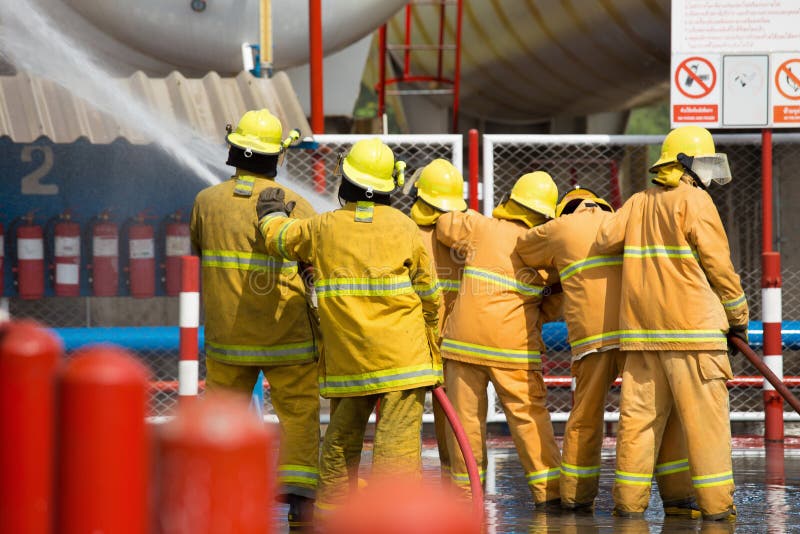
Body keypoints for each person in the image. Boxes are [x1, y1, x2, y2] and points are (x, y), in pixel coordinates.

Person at [255, 138, 442, 519]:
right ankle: (394, 521)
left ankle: (329, 520)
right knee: (397, 453)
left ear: (346, 182)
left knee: (339, 447)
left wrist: (271, 213)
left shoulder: (324, 227)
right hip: (404, 364)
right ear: (389, 186)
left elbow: (279, 239)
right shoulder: (405, 228)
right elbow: (431, 298)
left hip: (349, 363)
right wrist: (432, 355)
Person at [595, 125, 748, 520]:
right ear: (686, 166)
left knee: (638, 429)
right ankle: (718, 511)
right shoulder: (695, 201)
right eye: (703, 164)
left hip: (642, 338)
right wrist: (738, 318)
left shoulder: (638, 202)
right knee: (706, 428)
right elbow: (720, 267)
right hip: (694, 336)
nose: (708, 174)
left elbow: (605, 238)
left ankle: (628, 507)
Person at [516, 186, 699, 516]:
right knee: (653, 417)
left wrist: (555, 267)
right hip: (638, 333)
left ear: (566, 209)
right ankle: (677, 496)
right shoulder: (620, 221)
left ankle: (575, 497)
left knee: (586, 416)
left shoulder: (560, 228)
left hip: (592, 340)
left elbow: (524, 248)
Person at [189, 108, 320, 529]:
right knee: (299, 412)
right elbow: (312, 260)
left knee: (221, 414)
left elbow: (197, 251)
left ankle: (215, 490)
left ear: (234, 149)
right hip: (288, 335)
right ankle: (300, 497)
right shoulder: (295, 204)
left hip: (228, 336)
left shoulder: (205, 202)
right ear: (276, 157)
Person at [434, 171, 563, 509]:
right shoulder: (547, 255)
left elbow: (445, 224)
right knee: (529, 419)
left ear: (511, 202)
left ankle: (466, 497)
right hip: (514, 350)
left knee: (464, 424)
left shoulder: (482, 228)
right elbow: (557, 303)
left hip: (462, 345)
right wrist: (531, 314)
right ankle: (549, 493)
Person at [406, 158, 467, 480]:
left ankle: (405, 488)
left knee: (404, 418)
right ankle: (455, 485)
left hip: (411, 339)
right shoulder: (466, 234)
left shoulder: (406, 232)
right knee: (453, 420)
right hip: (453, 339)